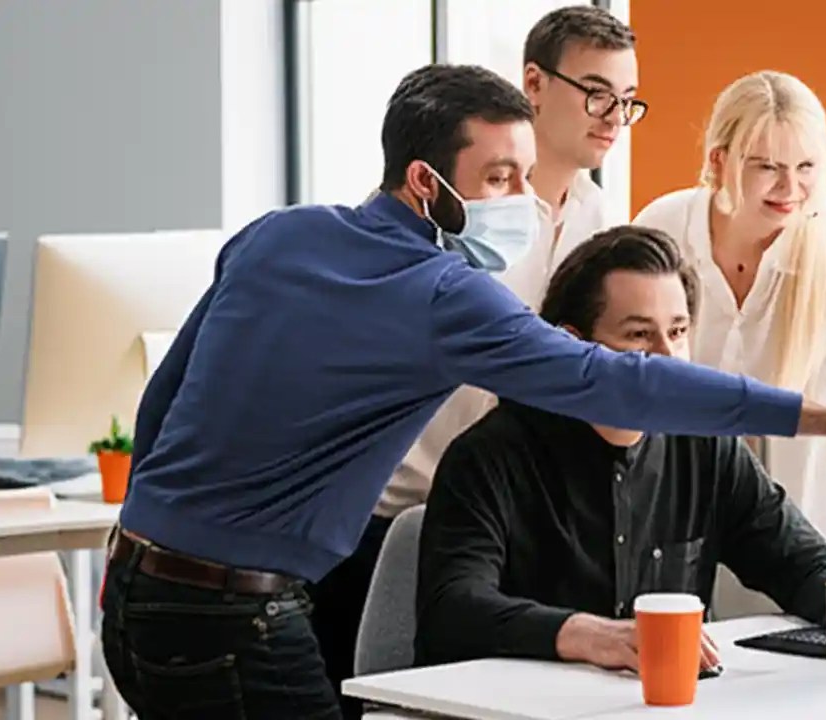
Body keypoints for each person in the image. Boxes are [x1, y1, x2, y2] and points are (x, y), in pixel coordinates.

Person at [100, 63, 826, 719]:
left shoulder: (279, 234)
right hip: (237, 622)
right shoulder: (447, 297)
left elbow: (164, 400)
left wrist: (138, 533)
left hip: (134, 596)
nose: (524, 201)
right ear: (425, 184)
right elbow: (615, 383)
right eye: (502, 179)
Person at [309, 7, 645, 716]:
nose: (613, 115)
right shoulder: (454, 217)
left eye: (626, 100)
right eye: (595, 92)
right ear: (534, 83)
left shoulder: (606, 227)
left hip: (513, 537)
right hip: (392, 514)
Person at [413, 226, 826, 672]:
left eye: (678, 333)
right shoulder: (489, 456)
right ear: (569, 346)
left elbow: (800, 559)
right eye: (639, 336)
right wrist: (590, 636)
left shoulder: (708, 447)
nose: (667, 360)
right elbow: (454, 610)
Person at [632, 70, 826, 618]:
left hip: (794, 550)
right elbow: (630, 382)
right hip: (665, 548)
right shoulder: (661, 229)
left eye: (805, 168)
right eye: (767, 168)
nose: (789, 188)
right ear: (720, 161)